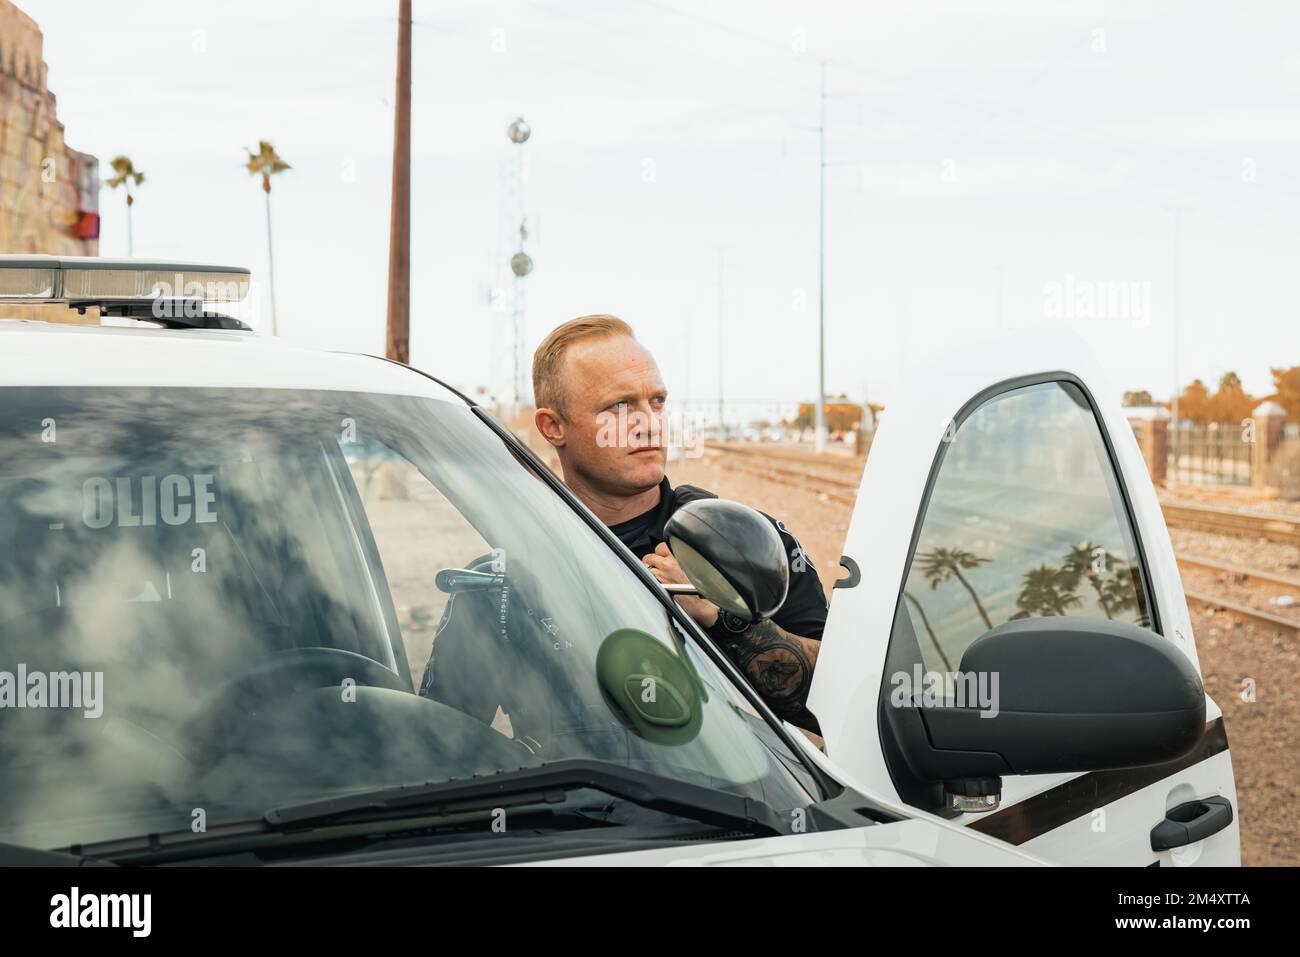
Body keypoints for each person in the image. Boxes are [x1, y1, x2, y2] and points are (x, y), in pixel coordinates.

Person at [532, 314, 827, 731]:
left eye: (656, 402)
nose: (648, 423)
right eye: (619, 406)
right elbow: (447, 731)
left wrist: (724, 616)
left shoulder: (748, 542)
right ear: (553, 426)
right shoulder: (519, 563)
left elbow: (841, 695)